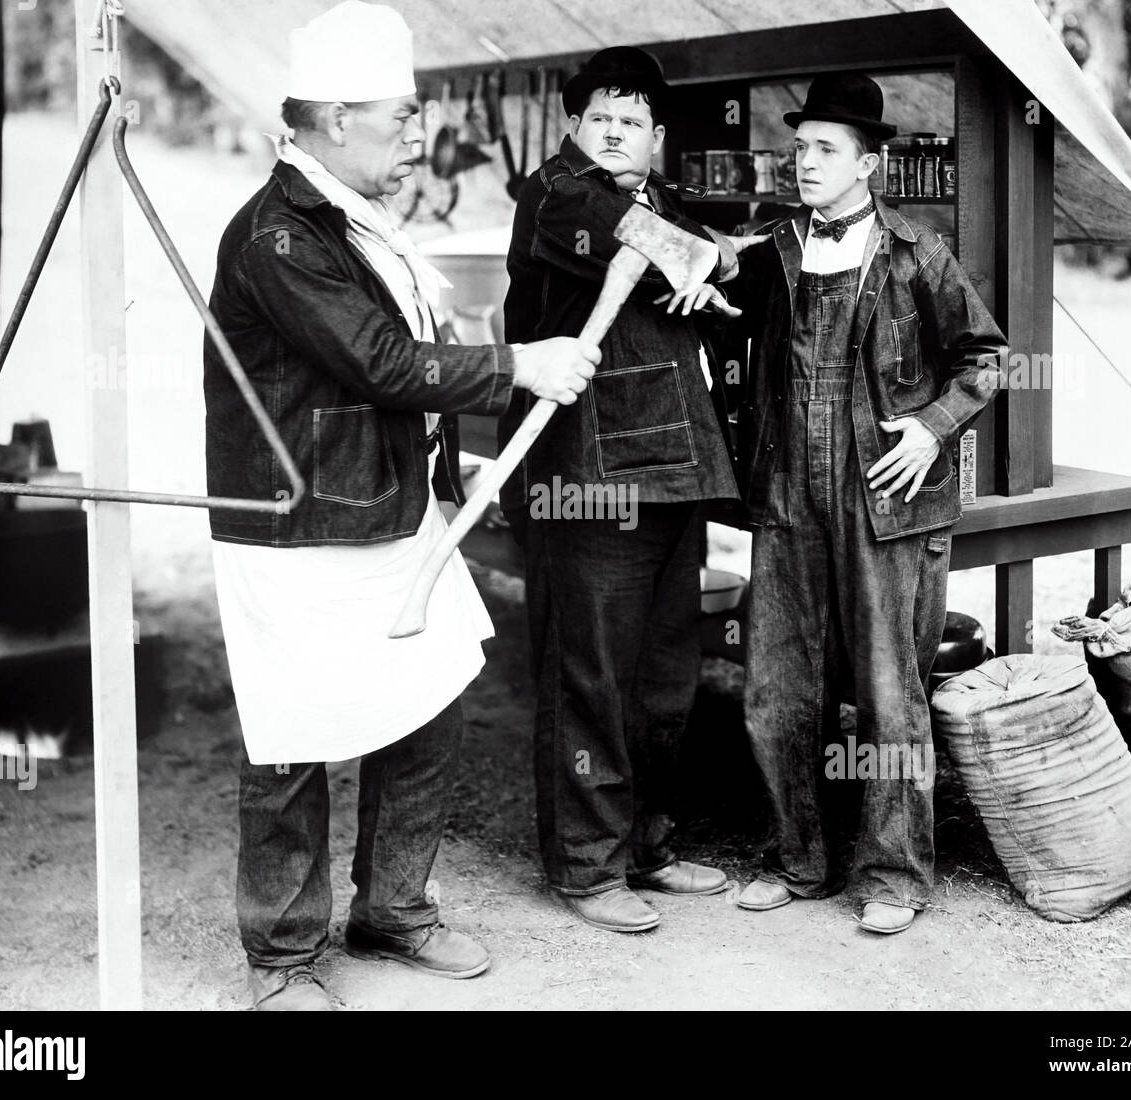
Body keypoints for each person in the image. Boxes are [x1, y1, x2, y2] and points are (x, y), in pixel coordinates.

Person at [204, 2, 598, 1010]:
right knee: (293, 739)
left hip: (385, 510)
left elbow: (400, 359)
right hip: (296, 522)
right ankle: (283, 953)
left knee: (424, 708)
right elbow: (382, 361)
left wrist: (445, 469)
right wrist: (522, 361)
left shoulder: (360, 222)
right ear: (334, 119)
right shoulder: (279, 237)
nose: (419, 134)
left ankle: (394, 907)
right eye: (402, 116)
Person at [723, 72, 1007, 934]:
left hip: (889, 499)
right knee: (776, 688)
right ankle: (799, 858)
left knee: (889, 693)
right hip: (788, 495)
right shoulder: (771, 249)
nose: (802, 161)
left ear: (869, 165)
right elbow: (722, 323)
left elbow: (986, 359)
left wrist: (930, 428)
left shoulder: (918, 253)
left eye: (824, 149)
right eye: (798, 146)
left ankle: (893, 874)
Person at [501, 46, 760, 933]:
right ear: (574, 127)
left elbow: (725, 265)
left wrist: (709, 261)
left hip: (676, 469)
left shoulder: (662, 200)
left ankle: (648, 844)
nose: (614, 132)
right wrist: (705, 260)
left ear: (657, 138)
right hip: (589, 475)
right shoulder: (555, 196)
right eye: (599, 118)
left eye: (633, 122)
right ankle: (585, 867)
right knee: (591, 675)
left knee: (662, 674)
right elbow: (682, 252)